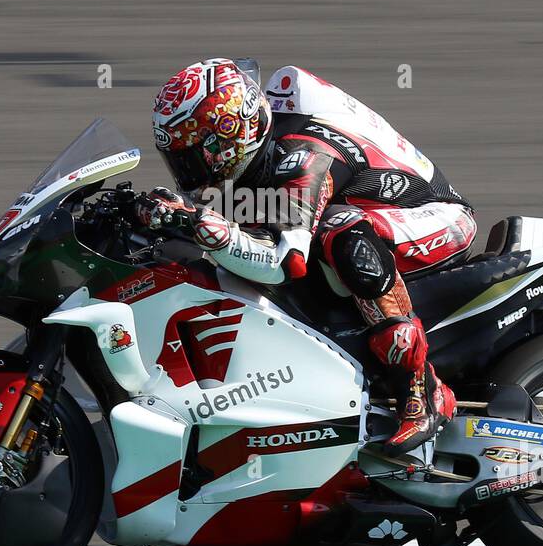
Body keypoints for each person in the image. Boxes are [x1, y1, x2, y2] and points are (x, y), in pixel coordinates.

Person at [139, 58, 477, 455]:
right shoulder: (258, 151)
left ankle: (421, 390)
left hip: (433, 218)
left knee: (341, 228)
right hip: (356, 211)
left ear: (229, 138)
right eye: (177, 160)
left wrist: (200, 224)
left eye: (192, 158)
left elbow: (286, 263)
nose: (188, 173)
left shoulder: (306, 158)